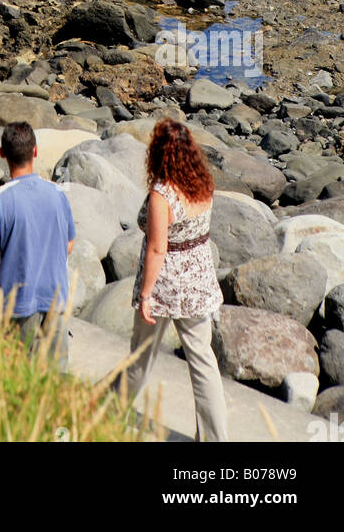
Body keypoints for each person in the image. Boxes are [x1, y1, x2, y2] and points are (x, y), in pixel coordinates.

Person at [126, 117, 228, 442]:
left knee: (140, 355)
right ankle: (214, 438)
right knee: (203, 363)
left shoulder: (163, 195)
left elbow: (158, 248)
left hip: (165, 288)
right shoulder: (203, 184)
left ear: (158, 153)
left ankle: (111, 411)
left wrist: (145, 295)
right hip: (198, 282)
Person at [0, 121, 76, 367]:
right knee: (52, 385)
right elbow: (69, 245)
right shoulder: (58, 194)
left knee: (6, 377)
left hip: (14, 305)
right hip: (55, 301)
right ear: (36, 151)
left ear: (2, 154)